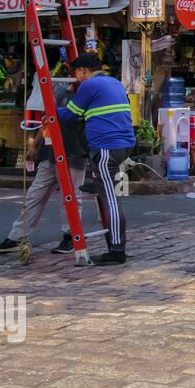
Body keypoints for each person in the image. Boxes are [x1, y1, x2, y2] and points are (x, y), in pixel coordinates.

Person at [0, 84, 93, 256]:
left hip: (74, 153)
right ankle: (18, 236)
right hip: (50, 154)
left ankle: (71, 236)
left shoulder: (88, 92)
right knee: (35, 195)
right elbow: (46, 120)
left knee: (72, 197)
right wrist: (35, 146)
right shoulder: (57, 90)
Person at [57, 53, 135, 265]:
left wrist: (49, 111)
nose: (77, 79)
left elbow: (71, 114)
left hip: (106, 147)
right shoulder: (115, 82)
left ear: (84, 70)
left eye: (77, 74)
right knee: (107, 190)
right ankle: (96, 182)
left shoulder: (89, 86)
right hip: (124, 145)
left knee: (111, 199)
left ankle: (117, 250)